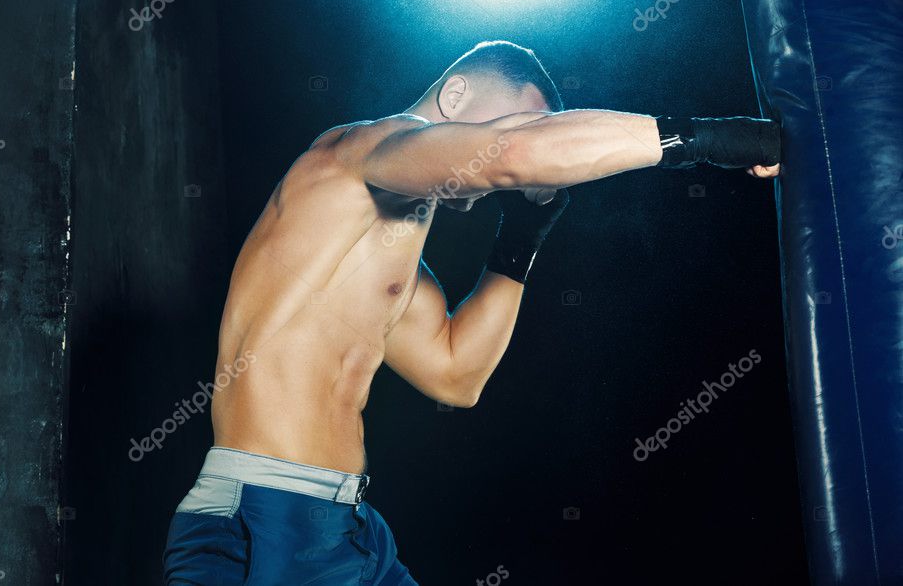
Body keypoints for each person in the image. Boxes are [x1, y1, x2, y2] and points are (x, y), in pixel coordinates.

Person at [162, 40, 781, 585]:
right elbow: (512, 153)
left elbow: (456, 374)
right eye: (515, 119)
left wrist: (520, 241)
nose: (526, 144)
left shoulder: (384, 248)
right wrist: (707, 140)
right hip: (263, 517)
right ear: (455, 95)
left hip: (349, 527)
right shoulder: (354, 151)